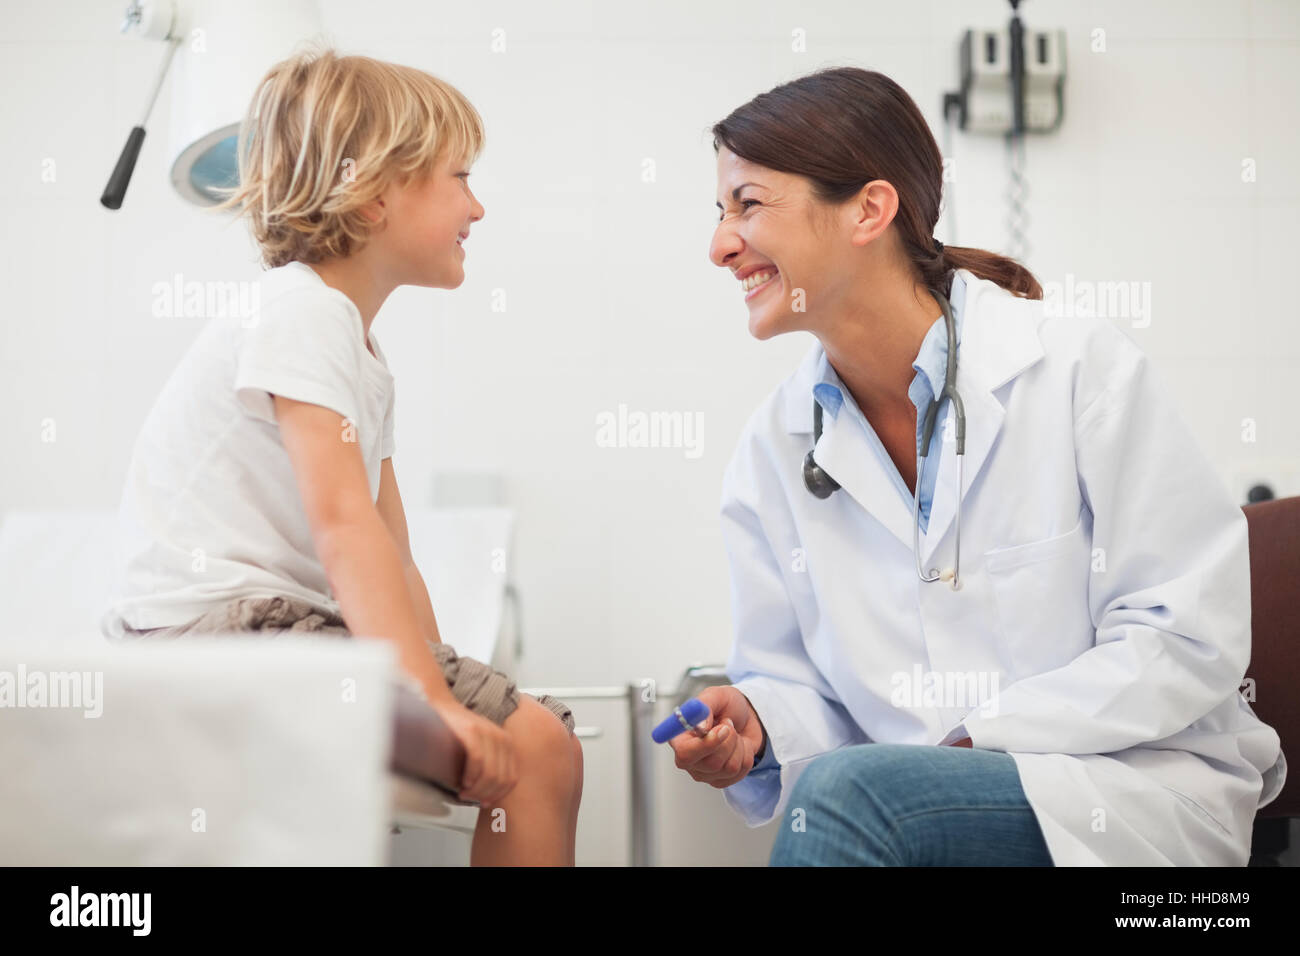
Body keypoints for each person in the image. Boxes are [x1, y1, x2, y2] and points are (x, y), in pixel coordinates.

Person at [670, 66, 1285, 866]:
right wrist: (757, 726)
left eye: (747, 204)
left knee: (847, 801)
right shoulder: (773, 447)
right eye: (720, 212)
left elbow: (1186, 635)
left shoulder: (1072, 367)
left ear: (869, 208)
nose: (720, 244)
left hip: (1123, 792)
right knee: (850, 796)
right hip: (916, 804)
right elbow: (803, 689)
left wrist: (977, 739)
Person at [101, 48, 582, 866]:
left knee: (531, 743)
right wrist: (433, 702)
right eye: (459, 177)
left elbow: (393, 552)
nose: (478, 205)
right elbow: (343, 525)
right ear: (372, 196)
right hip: (220, 637)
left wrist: (442, 679)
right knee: (540, 753)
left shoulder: (352, 348)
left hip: (232, 632)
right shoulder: (304, 312)